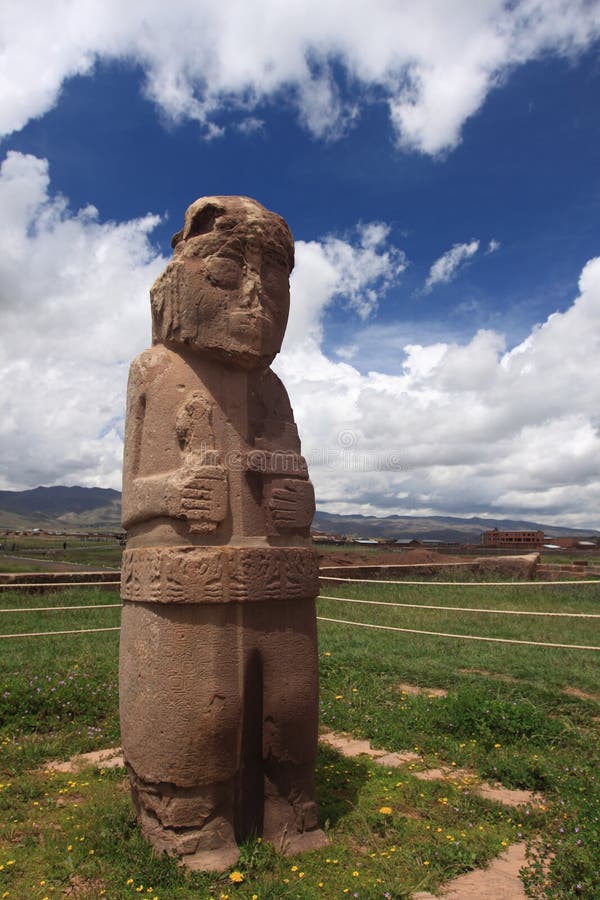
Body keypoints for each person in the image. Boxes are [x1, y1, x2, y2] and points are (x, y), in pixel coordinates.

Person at [119, 196, 324, 871]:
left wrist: (298, 504)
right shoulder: (157, 372)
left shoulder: (274, 392)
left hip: (279, 585)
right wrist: (171, 491)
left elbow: (295, 487)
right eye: (230, 271)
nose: (255, 296)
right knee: (198, 713)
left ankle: (290, 807)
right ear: (181, 280)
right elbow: (131, 503)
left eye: (274, 280)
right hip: (185, 587)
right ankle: (187, 821)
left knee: (290, 702)